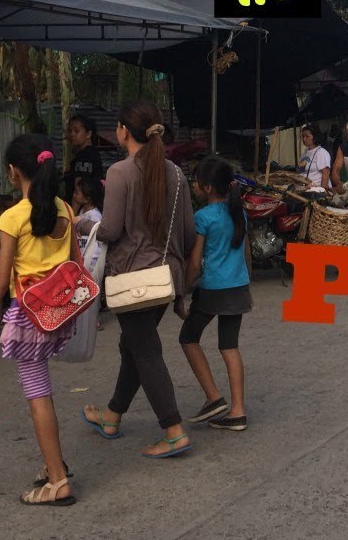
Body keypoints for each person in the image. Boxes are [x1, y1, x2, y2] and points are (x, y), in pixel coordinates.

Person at [77, 101, 197, 459]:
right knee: (133, 346)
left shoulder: (120, 173)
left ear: (123, 131)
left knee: (144, 350)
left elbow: (110, 230)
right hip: (165, 277)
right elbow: (188, 232)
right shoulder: (175, 173)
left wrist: (80, 222)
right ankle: (112, 415)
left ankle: (174, 431)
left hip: (131, 277)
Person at [0, 134, 78, 506]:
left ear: (13, 172)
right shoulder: (64, 209)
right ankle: (53, 465)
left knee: (38, 396)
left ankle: (58, 481)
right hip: (58, 312)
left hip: (28, 317)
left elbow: (1, 279)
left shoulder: (13, 217)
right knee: (41, 390)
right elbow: (76, 263)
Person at [179, 156, 253, 432]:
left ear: (207, 187)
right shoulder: (239, 212)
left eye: (196, 182)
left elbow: (195, 263)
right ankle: (237, 411)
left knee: (188, 337)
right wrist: (248, 286)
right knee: (229, 347)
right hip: (238, 287)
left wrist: (183, 292)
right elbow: (246, 253)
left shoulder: (203, 217)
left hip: (213, 289)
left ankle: (213, 397)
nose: (194, 186)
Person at [71, 175, 107, 329]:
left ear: (86, 199)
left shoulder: (95, 217)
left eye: (77, 192)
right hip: (81, 259)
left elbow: (98, 244)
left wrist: (92, 264)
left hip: (90, 261)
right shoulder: (82, 212)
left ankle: (93, 319)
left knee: (91, 291)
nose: (74, 194)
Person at [63, 115, 104, 199]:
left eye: (76, 131)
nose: (72, 134)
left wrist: (74, 211)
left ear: (88, 134)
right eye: (70, 131)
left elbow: (80, 191)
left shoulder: (85, 156)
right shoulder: (92, 153)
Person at [297, 127, 331, 191]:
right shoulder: (304, 153)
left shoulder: (321, 152)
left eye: (307, 136)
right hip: (307, 189)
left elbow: (325, 173)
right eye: (303, 136)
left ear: (315, 137)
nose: (304, 139)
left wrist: (322, 191)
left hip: (317, 191)